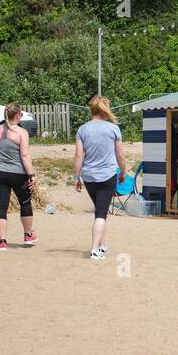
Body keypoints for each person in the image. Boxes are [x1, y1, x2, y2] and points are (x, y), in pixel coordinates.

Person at [73, 95, 127, 261]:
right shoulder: (113, 129)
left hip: (89, 176)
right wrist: (123, 173)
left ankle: (103, 245)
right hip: (107, 175)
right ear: (105, 109)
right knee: (101, 213)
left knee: (100, 210)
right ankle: (95, 249)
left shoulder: (82, 129)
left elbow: (78, 155)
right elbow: (121, 156)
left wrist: (76, 177)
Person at [0, 103, 38, 251]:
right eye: (21, 115)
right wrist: (31, 174)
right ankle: (28, 235)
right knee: (25, 202)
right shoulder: (21, 132)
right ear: (17, 116)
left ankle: (2, 241)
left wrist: (1, 164)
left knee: (1, 206)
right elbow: (24, 155)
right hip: (18, 173)